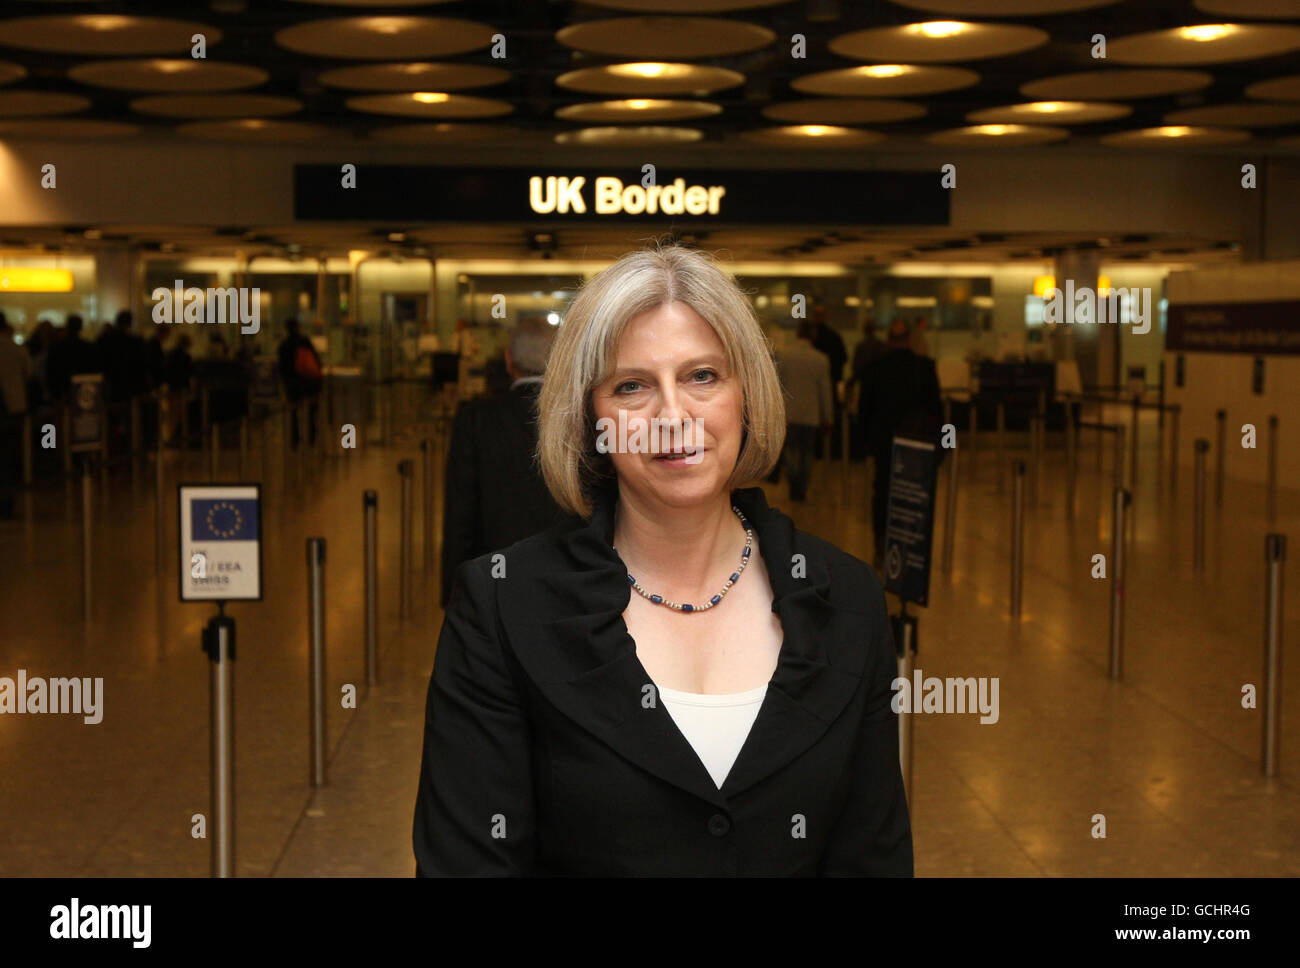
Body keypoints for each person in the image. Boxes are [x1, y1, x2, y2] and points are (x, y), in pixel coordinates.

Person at [414, 242, 912, 876]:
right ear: (590, 418)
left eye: (702, 376)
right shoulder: (501, 607)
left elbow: (874, 854)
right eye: (632, 386)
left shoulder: (847, 599)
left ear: (747, 395)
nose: (673, 416)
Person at [440, 318, 568, 609]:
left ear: (509, 361)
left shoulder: (475, 419)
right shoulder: (575, 420)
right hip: (563, 580)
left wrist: (453, 593)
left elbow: (460, 511)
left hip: (492, 581)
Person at [858, 319, 943, 567]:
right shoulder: (924, 368)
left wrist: (865, 444)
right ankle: (910, 549)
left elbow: (865, 410)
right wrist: (942, 448)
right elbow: (936, 411)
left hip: (885, 444)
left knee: (883, 493)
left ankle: (882, 546)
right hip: (916, 445)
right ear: (909, 339)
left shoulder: (875, 368)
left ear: (888, 339)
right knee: (913, 497)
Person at [772, 320, 832, 502]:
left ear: (797, 334)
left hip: (789, 413)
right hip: (811, 415)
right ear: (813, 336)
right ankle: (802, 487)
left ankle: (793, 483)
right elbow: (825, 390)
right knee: (807, 453)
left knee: (790, 451)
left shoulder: (785, 355)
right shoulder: (821, 359)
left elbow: (777, 385)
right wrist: (827, 417)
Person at [0, 313, 31, 518]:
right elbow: (28, 371)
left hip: (5, 405)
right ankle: (6, 500)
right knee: (8, 456)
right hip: (13, 407)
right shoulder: (14, 347)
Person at [276, 317, 322, 448]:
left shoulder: (284, 345)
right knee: (311, 410)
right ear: (298, 327)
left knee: (293, 411)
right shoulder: (305, 342)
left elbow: (282, 368)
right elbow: (315, 360)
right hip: (308, 383)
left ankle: (294, 439)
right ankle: (311, 437)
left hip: (292, 384)